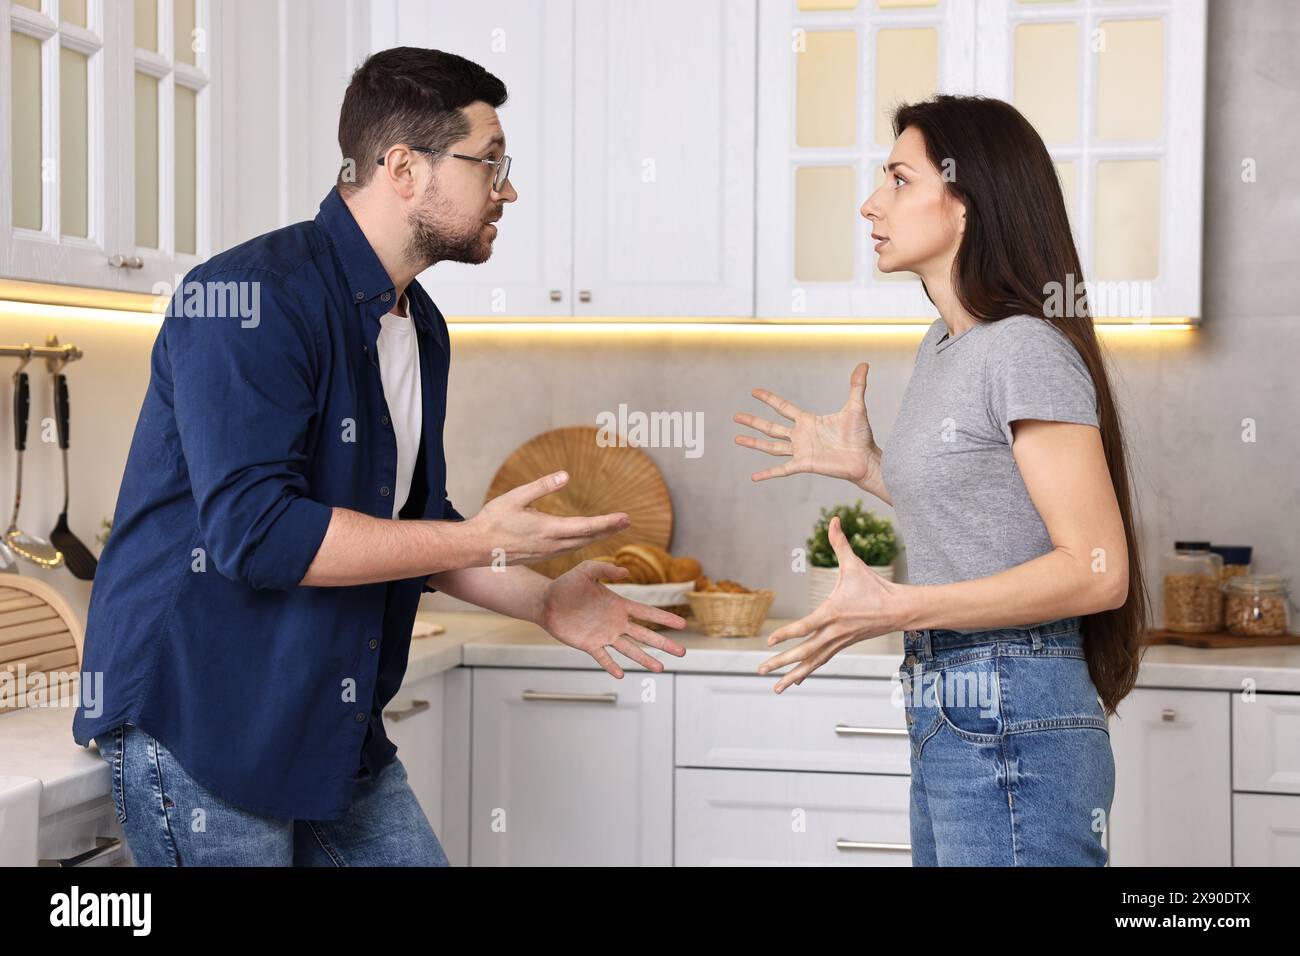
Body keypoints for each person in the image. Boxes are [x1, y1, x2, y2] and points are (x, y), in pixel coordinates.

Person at [72, 47, 685, 867]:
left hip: (326, 724)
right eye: (490, 162)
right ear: (403, 167)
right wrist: (473, 540)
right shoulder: (251, 298)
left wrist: (544, 602)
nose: (508, 188)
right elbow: (258, 536)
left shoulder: (417, 325)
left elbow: (417, 528)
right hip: (205, 721)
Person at [734, 95, 1149, 866]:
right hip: (949, 697)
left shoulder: (1023, 348)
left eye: (897, 179)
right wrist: (869, 469)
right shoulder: (947, 344)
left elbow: (1099, 573)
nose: (871, 203)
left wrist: (906, 604)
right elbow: (996, 518)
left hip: (1013, 698)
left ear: (967, 202)